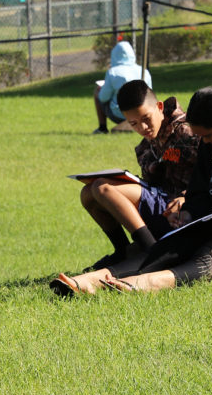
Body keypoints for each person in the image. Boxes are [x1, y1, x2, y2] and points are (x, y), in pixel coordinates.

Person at [52, 86, 212, 296]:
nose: (204, 142)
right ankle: (94, 279)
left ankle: (151, 283)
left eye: (207, 136)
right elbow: (199, 189)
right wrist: (188, 210)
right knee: (168, 246)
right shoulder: (209, 138)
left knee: (210, 256)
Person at [78, 80, 200, 270]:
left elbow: (211, 172)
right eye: (134, 123)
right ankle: (123, 252)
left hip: (184, 208)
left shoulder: (188, 132)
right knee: (87, 193)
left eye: (146, 118)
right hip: (162, 203)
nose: (143, 128)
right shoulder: (146, 144)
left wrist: (186, 196)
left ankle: (151, 251)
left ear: (159, 107)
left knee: (103, 187)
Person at [93, 38, 150, 134]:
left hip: (120, 114)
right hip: (142, 112)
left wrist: (101, 90)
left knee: (97, 92)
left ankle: (102, 128)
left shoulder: (113, 72)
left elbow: (103, 98)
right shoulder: (144, 71)